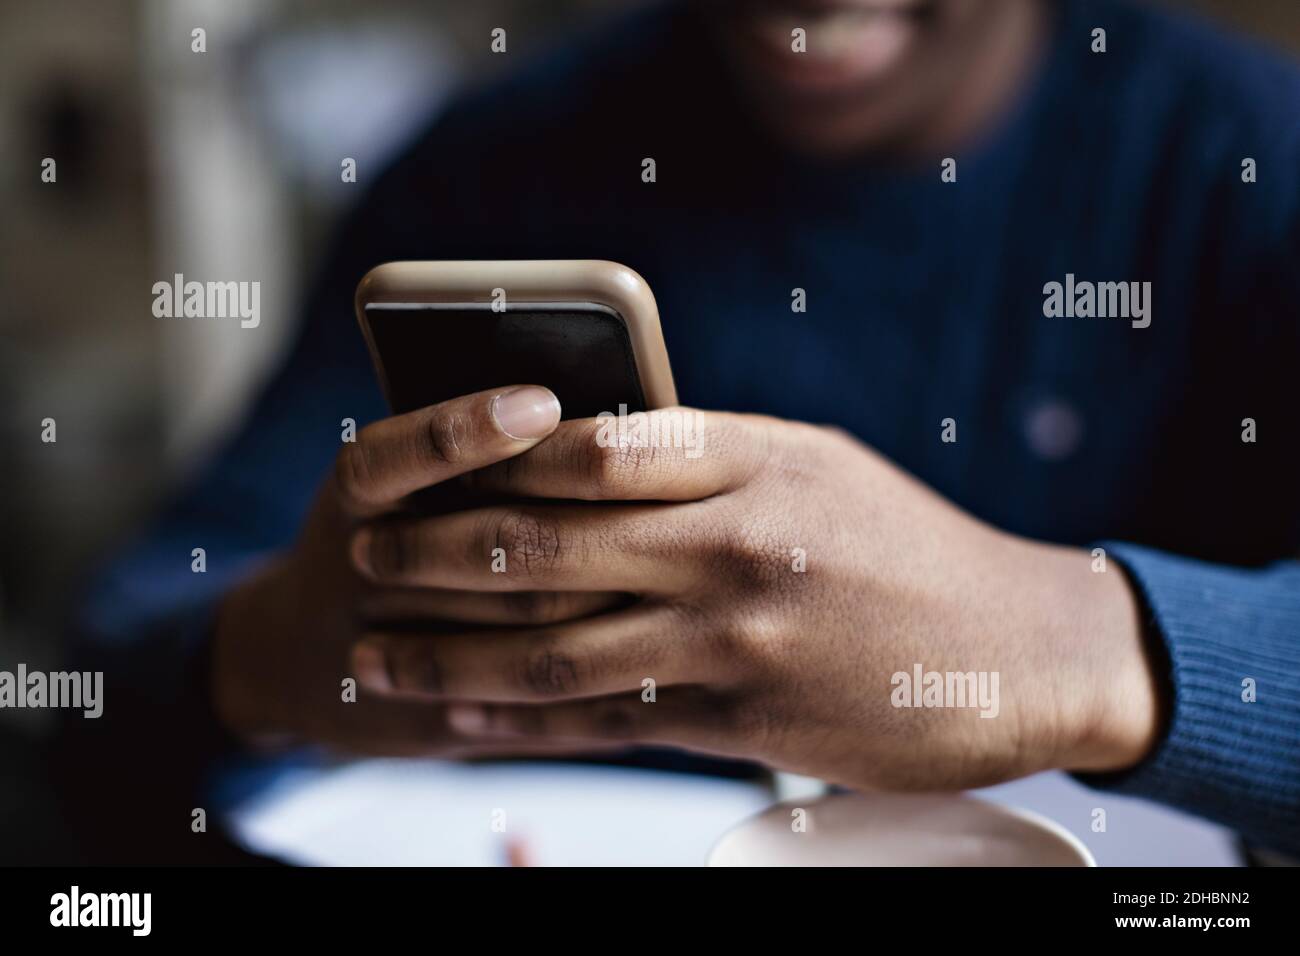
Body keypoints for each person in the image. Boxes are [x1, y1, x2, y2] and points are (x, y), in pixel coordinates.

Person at [66, 0, 1300, 861]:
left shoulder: (1249, 158)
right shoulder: (491, 169)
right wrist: (272, 656)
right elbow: (93, 683)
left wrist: (1083, 643)